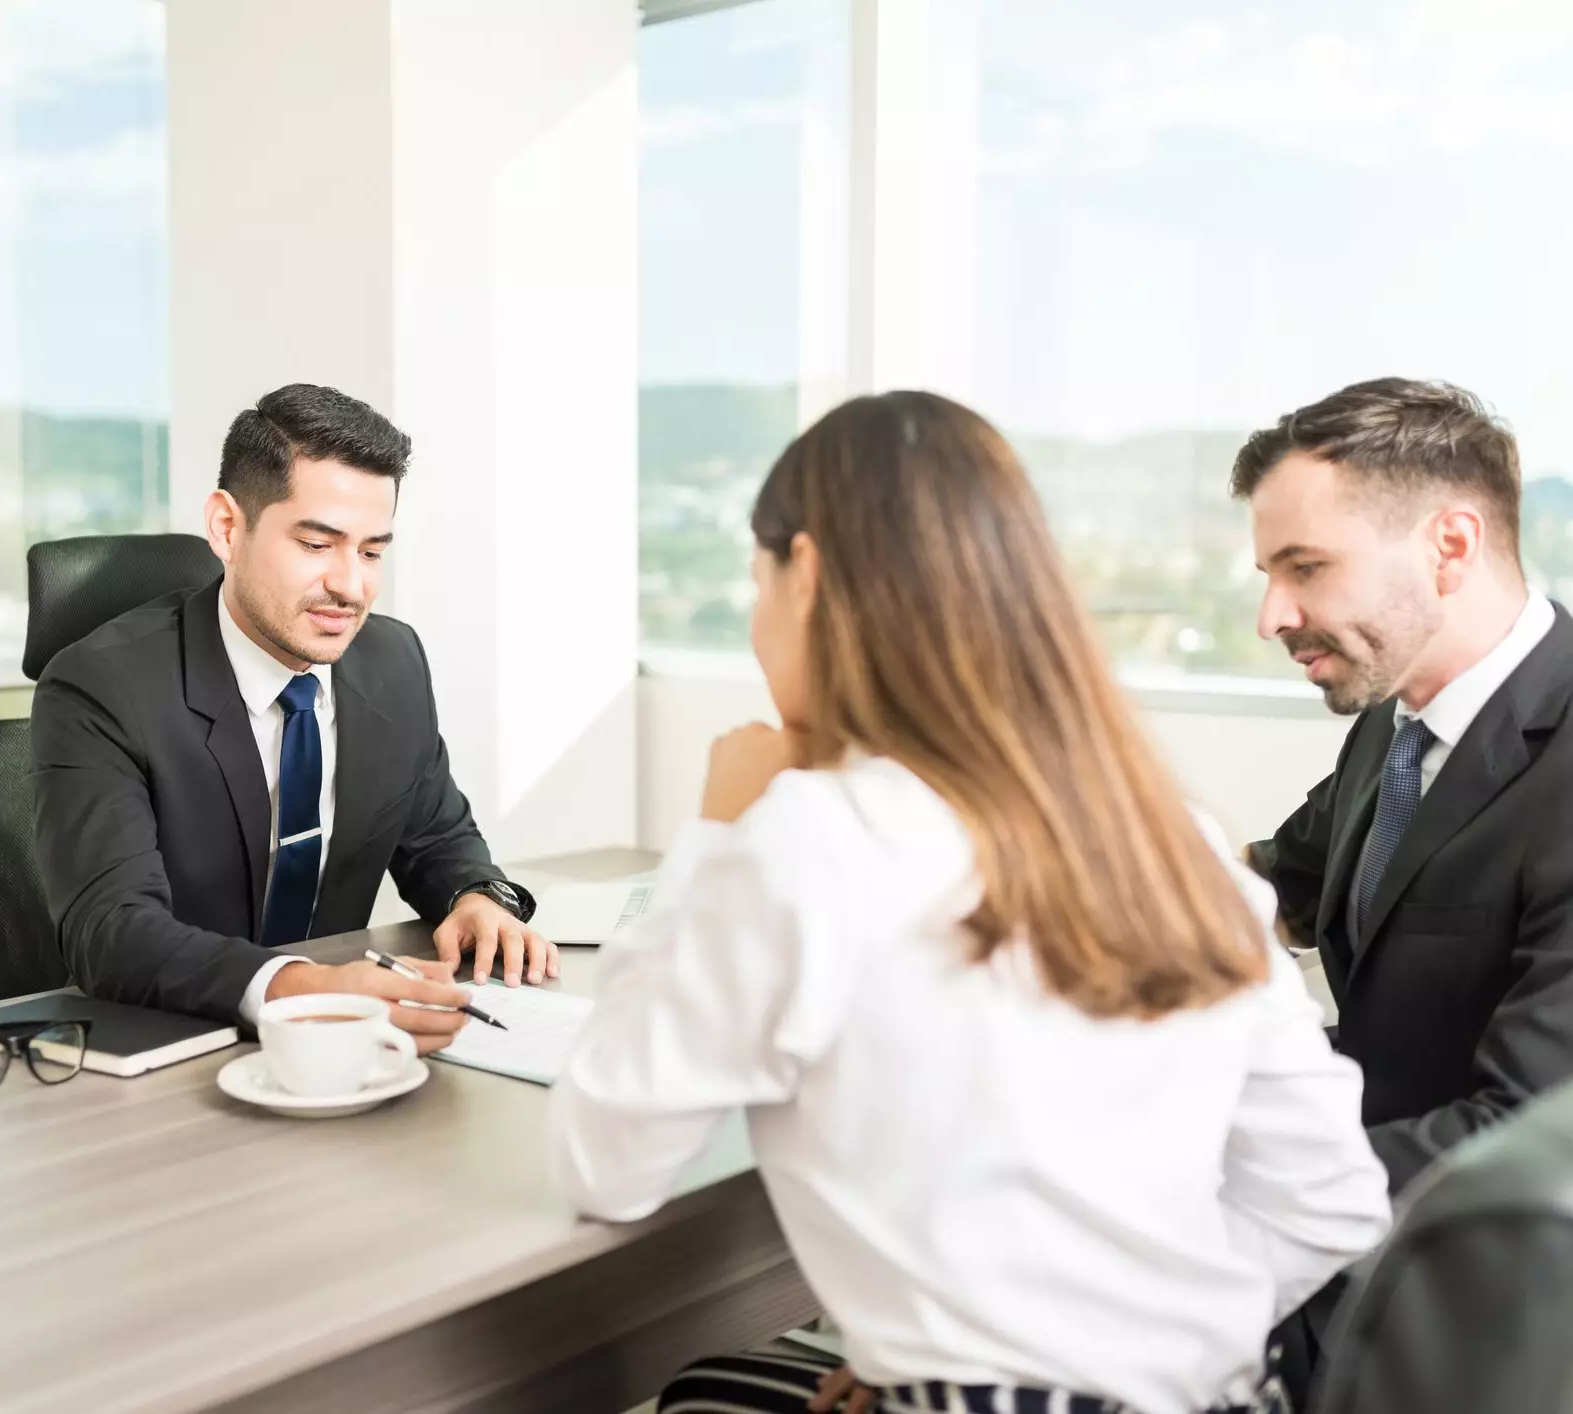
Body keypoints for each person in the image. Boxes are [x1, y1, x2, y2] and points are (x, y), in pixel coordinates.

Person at [547, 391, 1390, 1414]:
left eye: (756, 578)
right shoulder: (1178, 842)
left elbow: (605, 1163)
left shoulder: (808, 839)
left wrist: (713, 835)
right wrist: (1085, 1353)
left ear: (805, 573)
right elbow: (1334, 1202)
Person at [31, 383, 557, 1044]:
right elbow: (111, 931)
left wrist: (477, 897)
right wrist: (307, 989)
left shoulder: (391, 659)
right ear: (227, 527)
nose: (351, 586)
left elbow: (436, 835)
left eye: (371, 552)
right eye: (316, 544)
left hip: (347, 1054)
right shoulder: (102, 686)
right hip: (171, 1049)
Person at [1234, 377, 1573, 1397]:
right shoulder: (1396, 720)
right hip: (1336, 1277)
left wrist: (1212, 1175)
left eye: (1307, 568)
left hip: (1489, 1334)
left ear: (1451, 546)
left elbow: (1519, 1130)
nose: (1271, 616)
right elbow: (1269, 879)